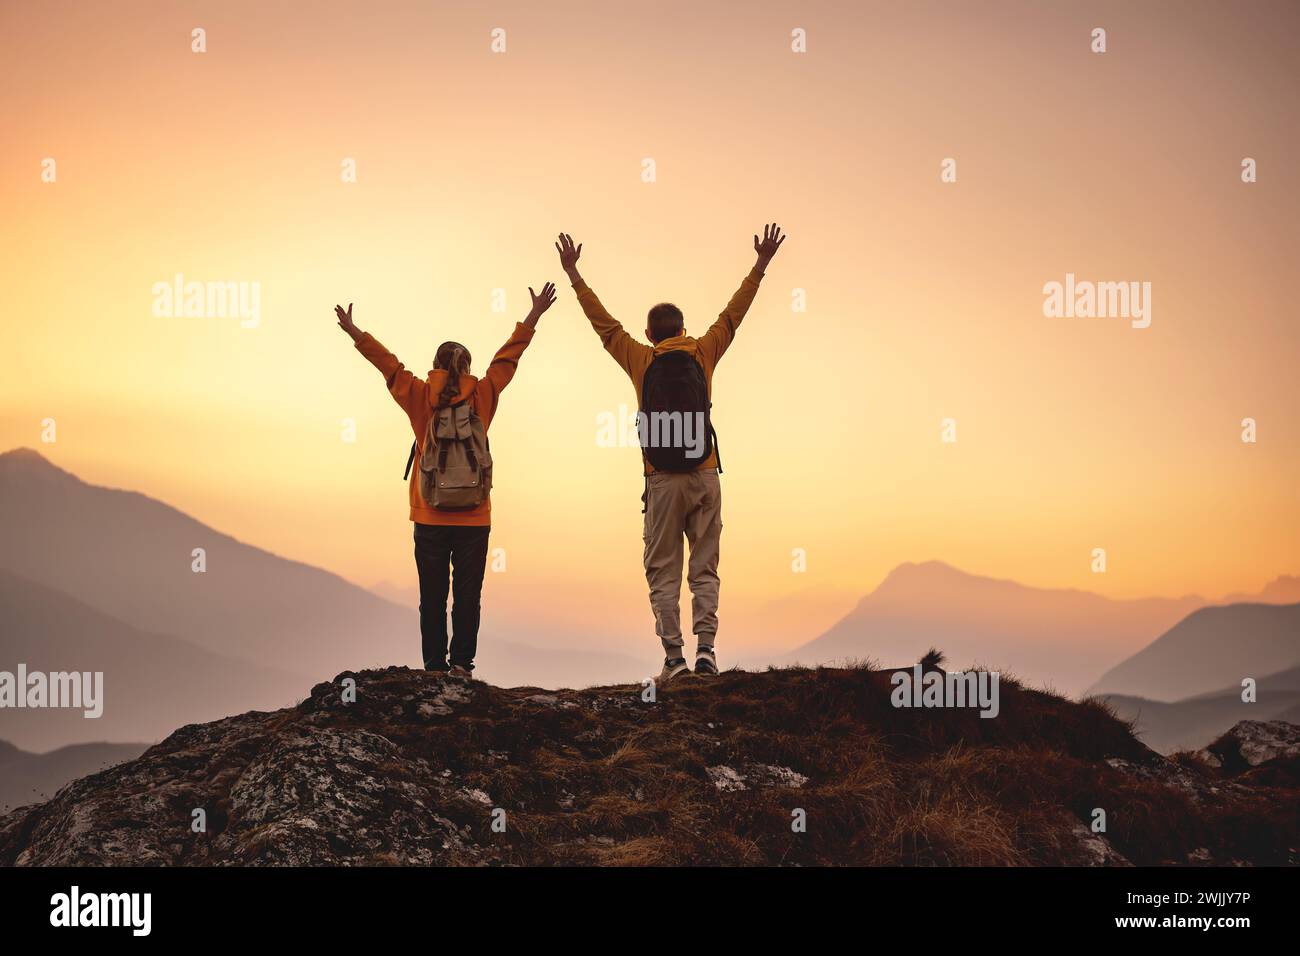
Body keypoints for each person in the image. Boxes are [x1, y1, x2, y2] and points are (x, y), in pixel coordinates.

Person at [556, 225, 786, 683]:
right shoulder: (703, 352)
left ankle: (674, 659)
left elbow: (605, 325)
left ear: (649, 333)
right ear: (683, 329)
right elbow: (733, 314)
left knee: (662, 569)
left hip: (661, 479)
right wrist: (760, 264)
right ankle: (706, 652)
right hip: (705, 474)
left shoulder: (640, 359)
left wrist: (574, 275)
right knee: (705, 566)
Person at [333, 284, 556, 678]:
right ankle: (461, 666)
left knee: (431, 598)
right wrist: (534, 314)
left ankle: (434, 668)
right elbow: (508, 359)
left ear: (435, 366)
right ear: (468, 369)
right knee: (468, 597)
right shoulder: (483, 395)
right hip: (475, 517)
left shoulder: (419, 396)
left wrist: (355, 332)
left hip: (429, 515)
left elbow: (389, 366)